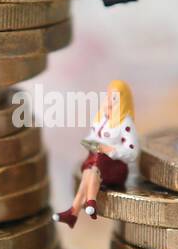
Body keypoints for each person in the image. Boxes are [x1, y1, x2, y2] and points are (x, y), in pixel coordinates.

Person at [53, 80, 138, 228]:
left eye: (115, 98)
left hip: (115, 169)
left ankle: (81, 207)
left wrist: (111, 150)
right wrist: (89, 143)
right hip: (96, 165)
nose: (110, 102)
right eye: (109, 96)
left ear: (123, 101)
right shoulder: (101, 118)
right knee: (89, 170)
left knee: (94, 165)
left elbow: (132, 152)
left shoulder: (125, 122)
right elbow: (92, 137)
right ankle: (81, 208)